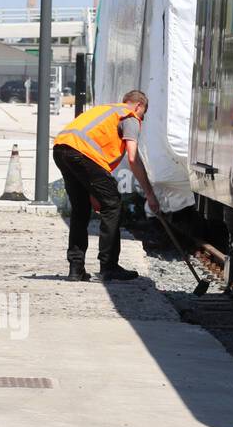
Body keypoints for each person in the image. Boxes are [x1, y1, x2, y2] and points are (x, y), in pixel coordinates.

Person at [52, 89, 160, 282]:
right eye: (143, 113)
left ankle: (76, 269)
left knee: (80, 209)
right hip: (82, 154)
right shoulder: (130, 116)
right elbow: (133, 158)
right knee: (113, 205)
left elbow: (94, 158)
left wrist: (94, 192)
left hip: (62, 148)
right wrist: (150, 194)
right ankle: (109, 266)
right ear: (138, 106)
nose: (141, 118)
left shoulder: (106, 110)